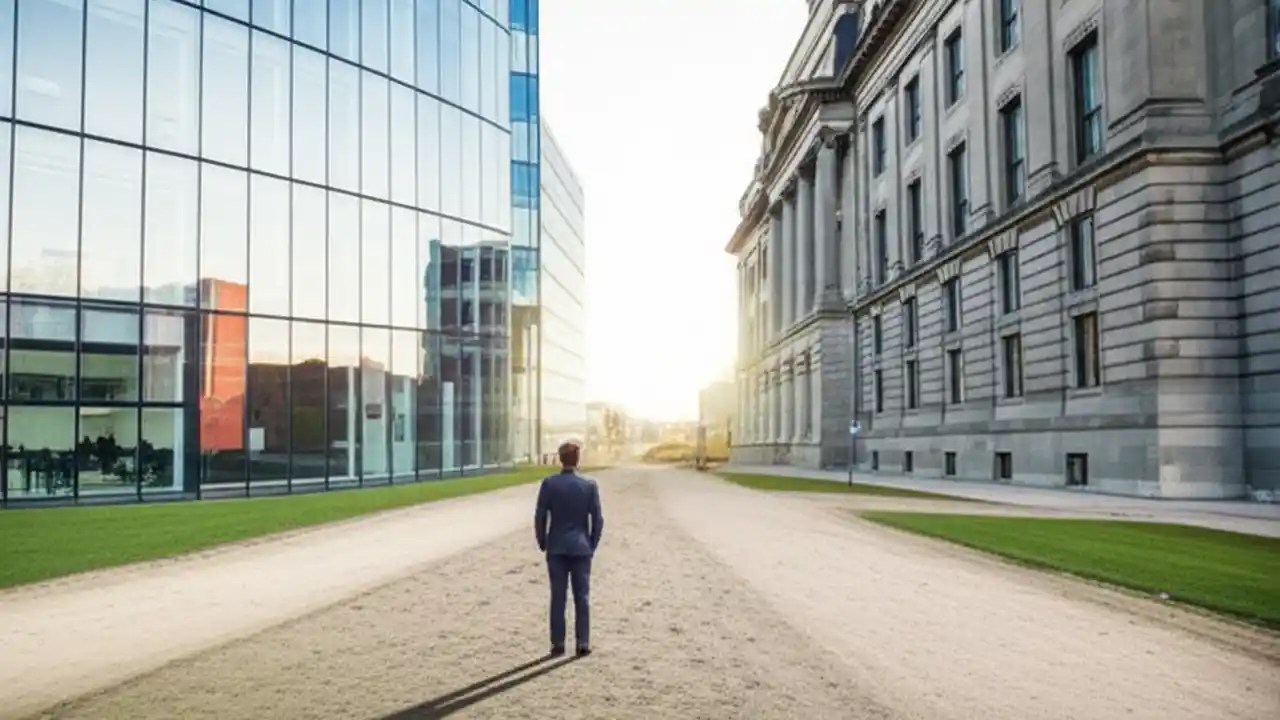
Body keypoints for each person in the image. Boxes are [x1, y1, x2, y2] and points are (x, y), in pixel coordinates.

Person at [534, 442, 604, 658]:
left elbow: (540, 515)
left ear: (560, 458)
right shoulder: (589, 486)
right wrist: (592, 543)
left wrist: (542, 540)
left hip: (556, 546)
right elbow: (598, 520)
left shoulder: (549, 484)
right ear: (578, 459)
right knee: (582, 596)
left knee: (558, 596)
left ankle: (558, 643)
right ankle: (582, 641)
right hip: (581, 546)